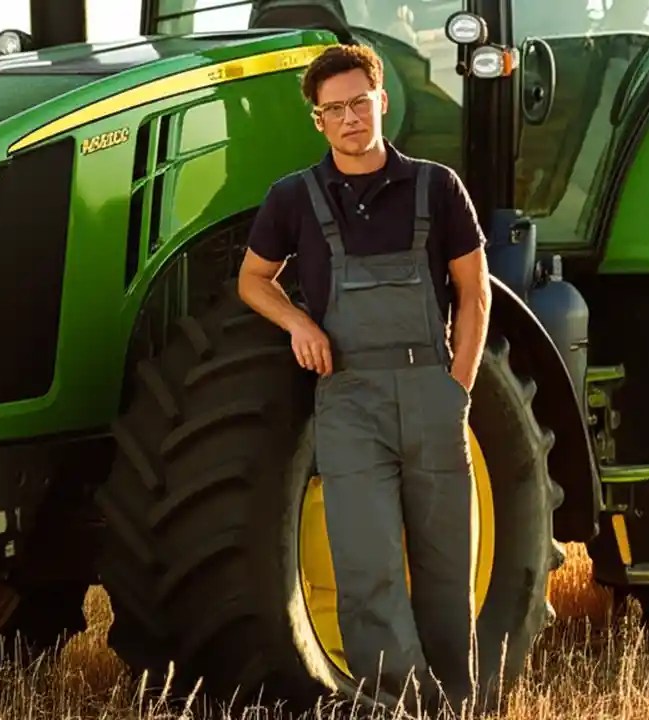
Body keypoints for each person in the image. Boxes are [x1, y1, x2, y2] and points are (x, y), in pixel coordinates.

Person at [236, 44, 491, 712]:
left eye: (359, 102)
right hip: (349, 400)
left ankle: (454, 703)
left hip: (431, 390)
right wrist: (299, 323)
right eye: (334, 110)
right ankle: (403, 705)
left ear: (381, 101)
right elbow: (252, 280)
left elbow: (474, 294)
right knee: (366, 568)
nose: (350, 118)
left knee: (444, 568)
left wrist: (456, 387)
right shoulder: (294, 198)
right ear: (318, 122)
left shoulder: (439, 188)